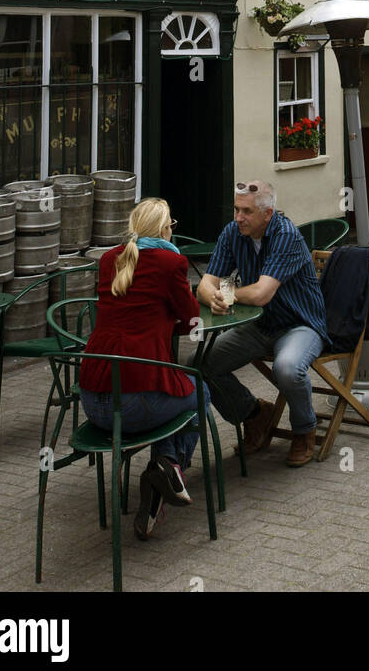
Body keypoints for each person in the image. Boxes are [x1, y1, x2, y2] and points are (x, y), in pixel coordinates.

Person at [78, 198, 205, 543]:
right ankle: (168, 469)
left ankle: (161, 473)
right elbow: (192, 319)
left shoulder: (108, 260)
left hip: (92, 401)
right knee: (197, 391)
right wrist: (168, 321)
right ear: (166, 229)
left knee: (167, 386)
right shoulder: (170, 261)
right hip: (133, 405)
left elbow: (128, 309)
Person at [198, 182, 327, 469]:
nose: (238, 217)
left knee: (288, 368)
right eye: (236, 209)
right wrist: (214, 297)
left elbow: (260, 294)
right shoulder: (233, 233)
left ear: (267, 213)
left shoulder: (286, 235)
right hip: (259, 325)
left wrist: (225, 296)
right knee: (203, 363)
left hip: (300, 324)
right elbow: (205, 284)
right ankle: (255, 414)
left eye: (247, 211)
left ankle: (304, 430)